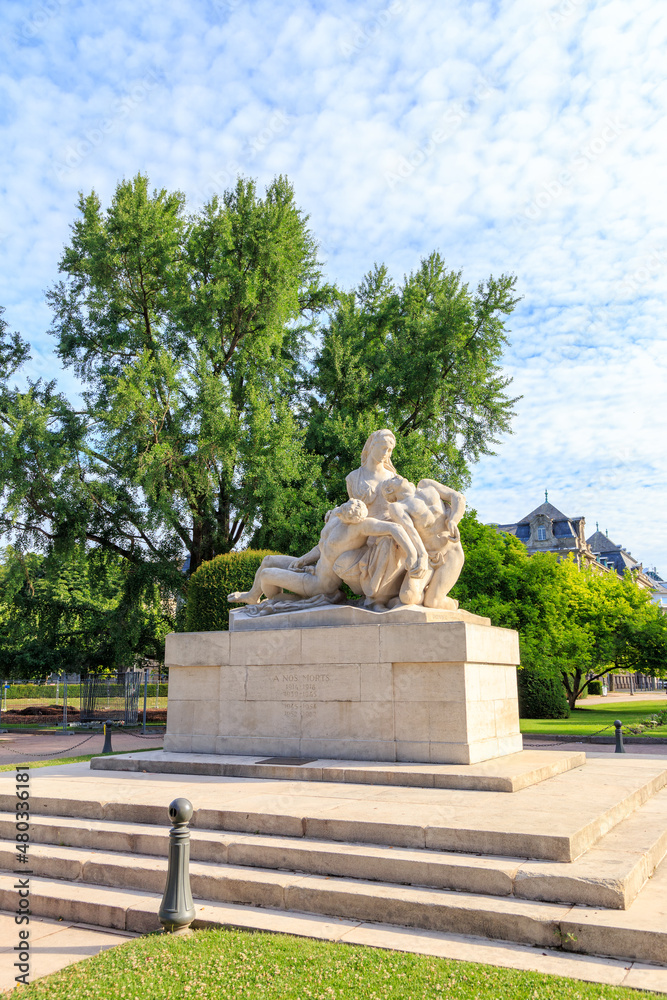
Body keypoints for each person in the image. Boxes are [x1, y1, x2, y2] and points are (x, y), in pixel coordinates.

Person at [228, 498, 424, 606]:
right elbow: (322, 547)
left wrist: (414, 554)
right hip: (312, 568)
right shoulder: (338, 516)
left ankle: (277, 601)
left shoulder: (360, 526)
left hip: (319, 584)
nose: (348, 515)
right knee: (268, 560)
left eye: (352, 516)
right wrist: (303, 560)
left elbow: (396, 529)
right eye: (347, 512)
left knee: (266, 575)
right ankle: (254, 596)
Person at [344, 429, 427, 604]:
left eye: (389, 450)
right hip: (367, 532)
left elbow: (406, 506)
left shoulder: (394, 478)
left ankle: (380, 594)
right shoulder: (353, 478)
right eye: (382, 448)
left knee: (391, 539)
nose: (385, 454)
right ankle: (376, 594)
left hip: (393, 528)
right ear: (372, 445)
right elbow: (353, 510)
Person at [381, 476, 466, 608]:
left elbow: (457, 497)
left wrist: (454, 520)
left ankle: (446, 602)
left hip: (451, 552)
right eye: (391, 479)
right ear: (389, 489)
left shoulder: (426, 485)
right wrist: (422, 556)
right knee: (408, 597)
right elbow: (411, 532)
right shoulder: (397, 507)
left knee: (433, 602)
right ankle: (426, 594)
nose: (396, 476)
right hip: (428, 557)